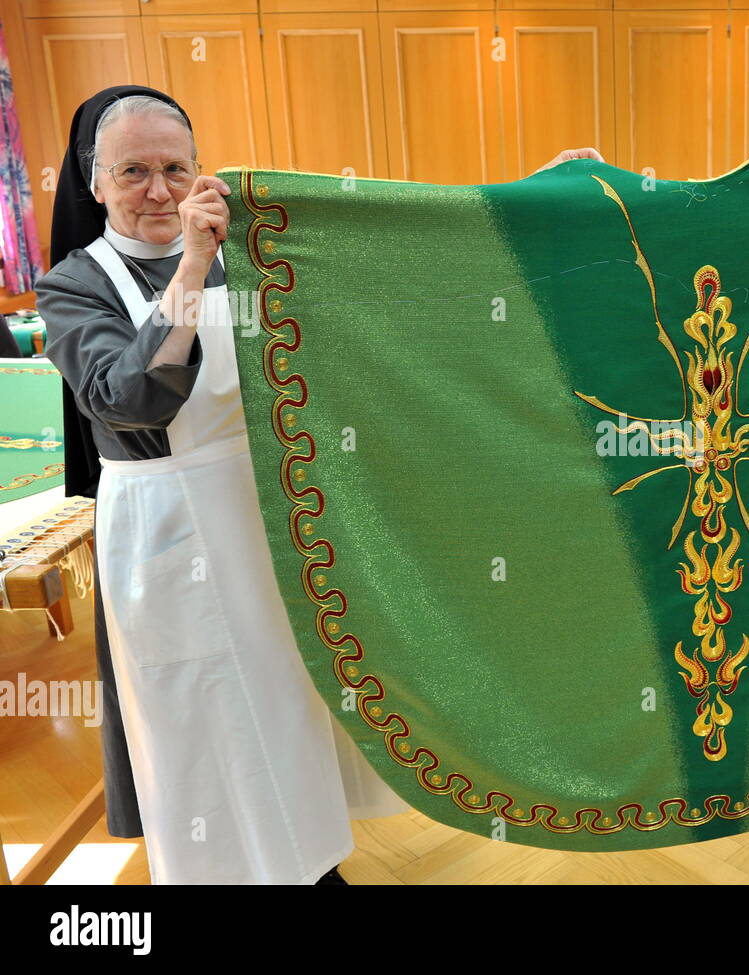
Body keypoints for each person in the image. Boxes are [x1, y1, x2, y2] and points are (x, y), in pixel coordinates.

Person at [36, 85, 601, 884]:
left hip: (269, 512)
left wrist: (525, 199)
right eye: (133, 172)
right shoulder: (75, 286)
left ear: (199, 170)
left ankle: (310, 863)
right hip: (171, 533)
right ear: (94, 183)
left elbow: (394, 265)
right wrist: (194, 265)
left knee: (289, 701)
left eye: (174, 167)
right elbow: (129, 393)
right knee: (212, 715)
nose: (157, 190)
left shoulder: (254, 248)